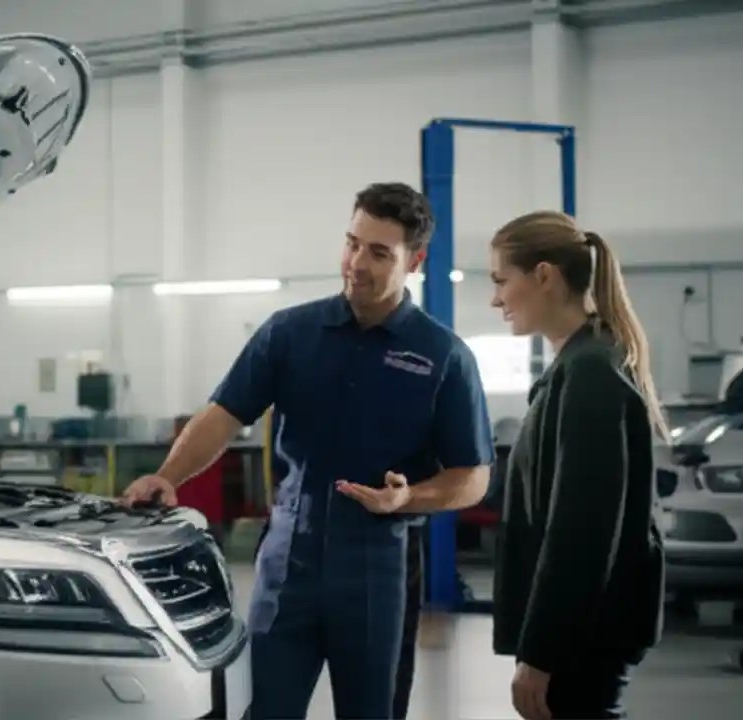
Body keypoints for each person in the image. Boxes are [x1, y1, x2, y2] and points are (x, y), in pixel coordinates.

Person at [122, 182, 495, 719]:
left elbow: (473, 476)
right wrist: (168, 475)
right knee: (268, 709)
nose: (355, 263)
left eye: (378, 253)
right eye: (352, 243)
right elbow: (223, 414)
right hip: (286, 561)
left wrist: (408, 497)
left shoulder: (443, 357)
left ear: (416, 259)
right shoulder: (290, 333)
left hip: (378, 562)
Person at [487, 210, 667, 720]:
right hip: (580, 637)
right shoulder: (579, 366)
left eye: (502, 281)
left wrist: (542, 654)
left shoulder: (590, 373)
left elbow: (581, 530)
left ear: (544, 276)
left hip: (581, 640)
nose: (495, 299)